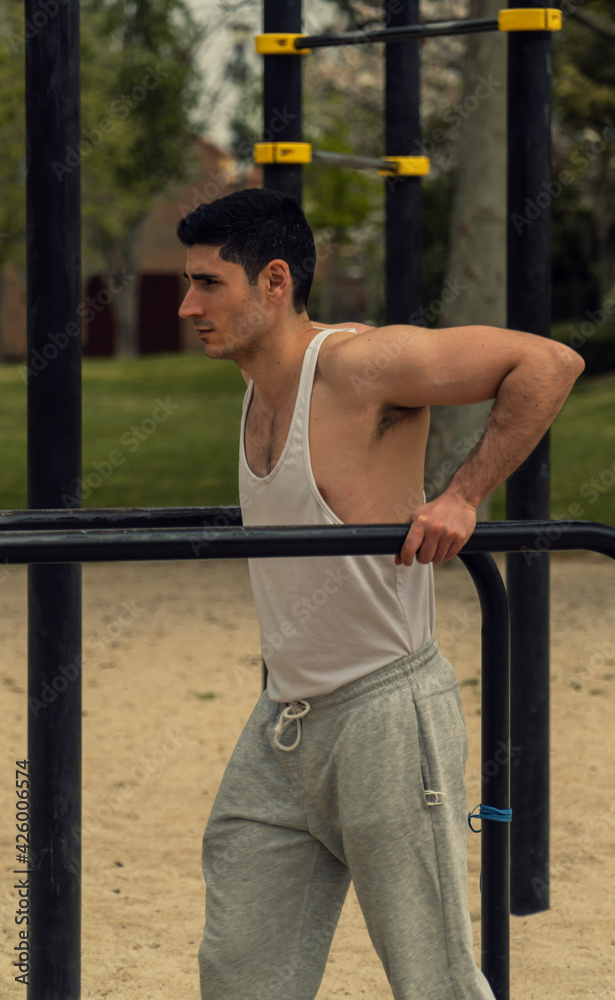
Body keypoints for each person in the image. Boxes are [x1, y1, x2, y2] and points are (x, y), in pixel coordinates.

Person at [177, 187, 584, 1000]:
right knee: (239, 973)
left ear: (274, 281)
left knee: (432, 981)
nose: (188, 306)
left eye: (207, 284)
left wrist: (462, 494)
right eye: (185, 284)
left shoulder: (358, 365)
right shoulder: (258, 386)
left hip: (385, 718)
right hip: (283, 725)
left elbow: (546, 362)